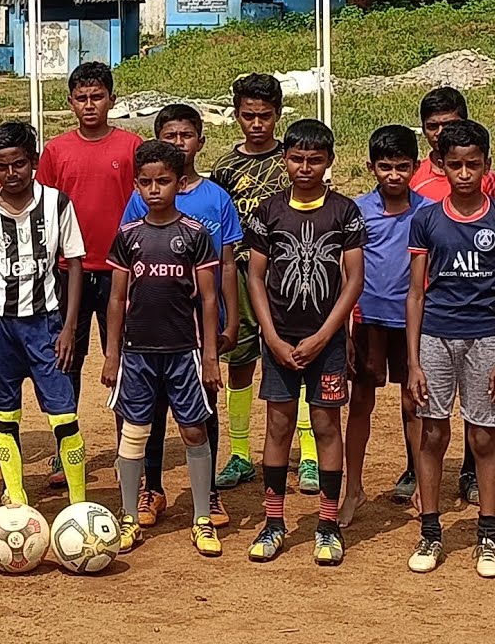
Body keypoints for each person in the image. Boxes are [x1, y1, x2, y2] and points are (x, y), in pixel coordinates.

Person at [244, 119, 366, 566]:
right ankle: (274, 521)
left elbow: (354, 280)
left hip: (326, 342)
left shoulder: (345, 212)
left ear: (329, 161)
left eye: (315, 160)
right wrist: (271, 337)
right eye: (297, 158)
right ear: (285, 160)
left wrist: (324, 336)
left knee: (326, 425)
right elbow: (255, 278)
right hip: (279, 339)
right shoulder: (268, 212)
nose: (306, 167)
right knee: (278, 426)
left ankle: (328, 526)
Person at [406, 120, 495, 578]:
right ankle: (430, 532)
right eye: (454, 165)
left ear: (486, 165)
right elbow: (416, 294)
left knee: (482, 437)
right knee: (433, 435)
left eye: (473, 164)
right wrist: (413, 361)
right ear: (441, 165)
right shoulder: (426, 220)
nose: (464, 173)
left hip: (484, 339)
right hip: (434, 337)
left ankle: (488, 536)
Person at [120, 104, 241, 529]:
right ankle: (150, 489)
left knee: (202, 410)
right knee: (148, 414)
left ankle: (208, 496)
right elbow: (125, 276)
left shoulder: (216, 199)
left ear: (199, 141)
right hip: (147, 332)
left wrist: (231, 321)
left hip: (195, 329)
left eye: (185, 135)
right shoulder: (137, 205)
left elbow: (227, 264)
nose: (178, 143)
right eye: (169, 136)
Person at [102, 141, 224, 556]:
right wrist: (112, 354)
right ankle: (129, 518)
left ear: (179, 183)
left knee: (193, 430)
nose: (154, 190)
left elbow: (209, 298)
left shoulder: (195, 234)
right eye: (146, 183)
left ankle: (202, 517)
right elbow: (117, 298)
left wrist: (210, 357)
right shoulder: (128, 236)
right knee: (134, 431)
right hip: (136, 352)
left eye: (164, 182)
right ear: (136, 185)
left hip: (184, 351)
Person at [209, 73, 319, 495]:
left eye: (265, 116)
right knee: (240, 360)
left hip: (289, 276)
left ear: (278, 114)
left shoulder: (292, 160)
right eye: (248, 116)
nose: (256, 124)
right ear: (236, 115)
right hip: (238, 275)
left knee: (298, 357)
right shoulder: (225, 167)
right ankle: (240, 453)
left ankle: (309, 455)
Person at [0, 123, 88, 508]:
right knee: (6, 413)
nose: (11, 173)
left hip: (47, 323)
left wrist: (69, 327)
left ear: (33, 161)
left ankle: (78, 504)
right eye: (2, 167)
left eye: (19, 164)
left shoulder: (57, 203)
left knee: (63, 415)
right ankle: (17, 497)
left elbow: (74, 263)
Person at [35, 61, 141, 489]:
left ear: (112, 100)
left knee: (124, 360)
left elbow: (144, 204)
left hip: (121, 272)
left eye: (98, 96)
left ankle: (126, 451)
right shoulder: (56, 150)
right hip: (69, 272)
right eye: (82, 98)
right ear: (70, 103)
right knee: (67, 361)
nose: (90, 104)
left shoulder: (131, 146)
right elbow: (42, 208)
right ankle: (67, 452)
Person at [409, 86, 495, 506]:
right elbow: (415, 276)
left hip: (479, 322)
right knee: (427, 414)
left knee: (479, 420)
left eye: (448, 124)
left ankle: (471, 476)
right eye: (432, 126)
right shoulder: (417, 182)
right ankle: (418, 479)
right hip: (432, 316)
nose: (464, 174)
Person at [341, 125, 433, 527]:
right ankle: (353, 489)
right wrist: (344, 328)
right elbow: (345, 272)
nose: (394, 175)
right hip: (368, 319)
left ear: (416, 166)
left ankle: (423, 487)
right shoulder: (358, 211)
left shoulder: (428, 211)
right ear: (370, 167)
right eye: (385, 167)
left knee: (414, 404)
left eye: (402, 167)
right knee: (360, 403)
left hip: (416, 322)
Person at [410, 87, 495, 202]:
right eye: (432, 126)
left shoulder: (485, 177)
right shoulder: (412, 177)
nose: (440, 132)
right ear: (424, 130)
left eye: (449, 124)